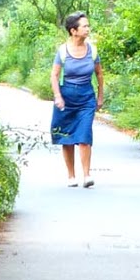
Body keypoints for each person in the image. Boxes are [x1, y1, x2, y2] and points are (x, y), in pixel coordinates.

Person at [49, 11, 104, 187]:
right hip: (66, 98)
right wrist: (58, 96)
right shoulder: (63, 51)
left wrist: (100, 96)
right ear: (74, 31)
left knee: (84, 135)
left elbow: (99, 74)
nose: (88, 29)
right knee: (67, 137)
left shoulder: (92, 50)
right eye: (84, 26)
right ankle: (71, 176)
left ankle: (87, 175)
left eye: (88, 25)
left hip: (86, 97)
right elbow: (54, 75)